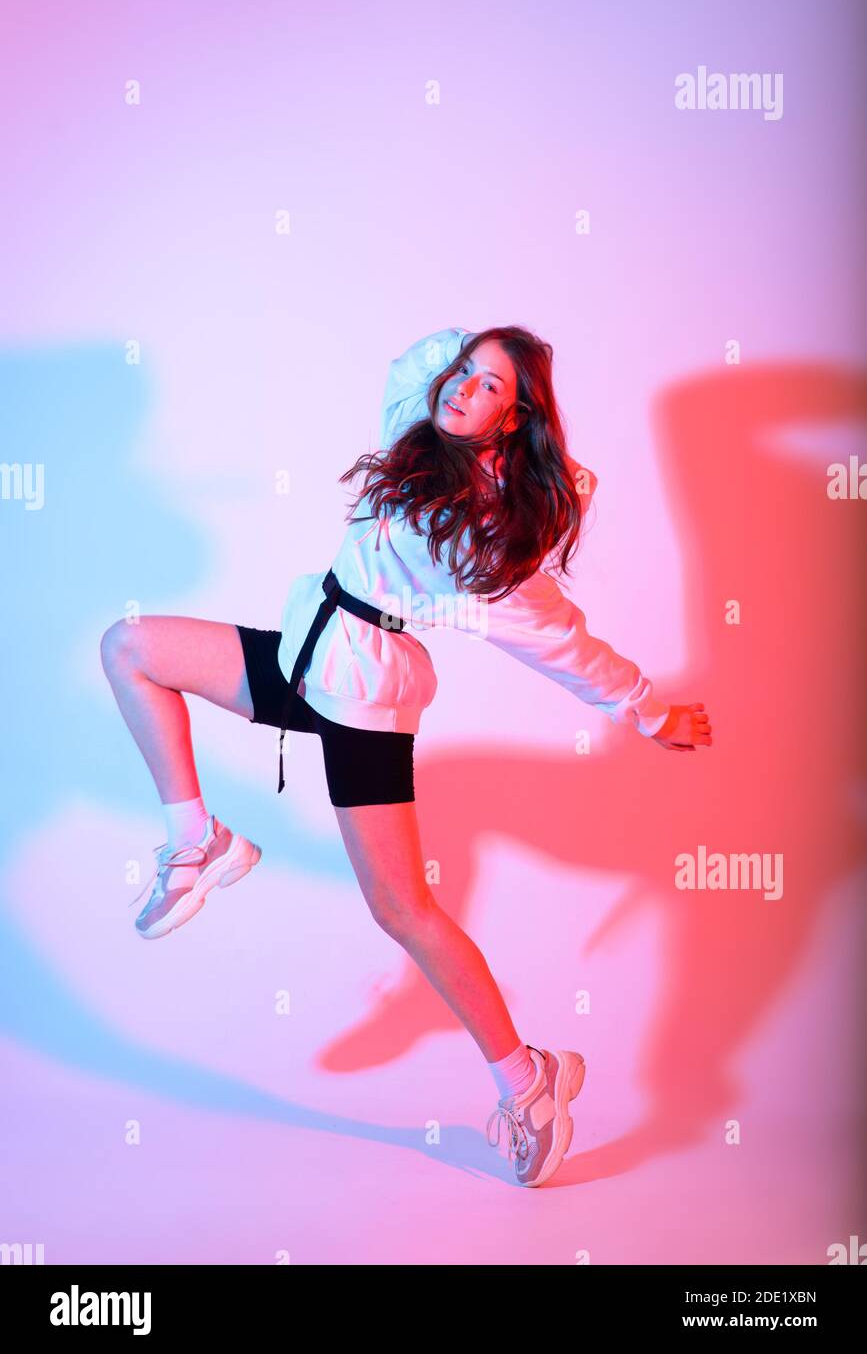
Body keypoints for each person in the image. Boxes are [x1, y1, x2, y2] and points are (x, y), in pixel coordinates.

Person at [100, 324, 712, 1187]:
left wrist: (647, 711)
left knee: (402, 912)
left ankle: (527, 1078)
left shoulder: (491, 532)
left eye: (490, 385)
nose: (461, 386)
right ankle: (198, 840)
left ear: (516, 416)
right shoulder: (414, 435)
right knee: (129, 647)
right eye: (464, 372)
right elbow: (411, 367)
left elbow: (559, 644)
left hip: (365, 694)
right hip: (305, 653)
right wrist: (475, 347)